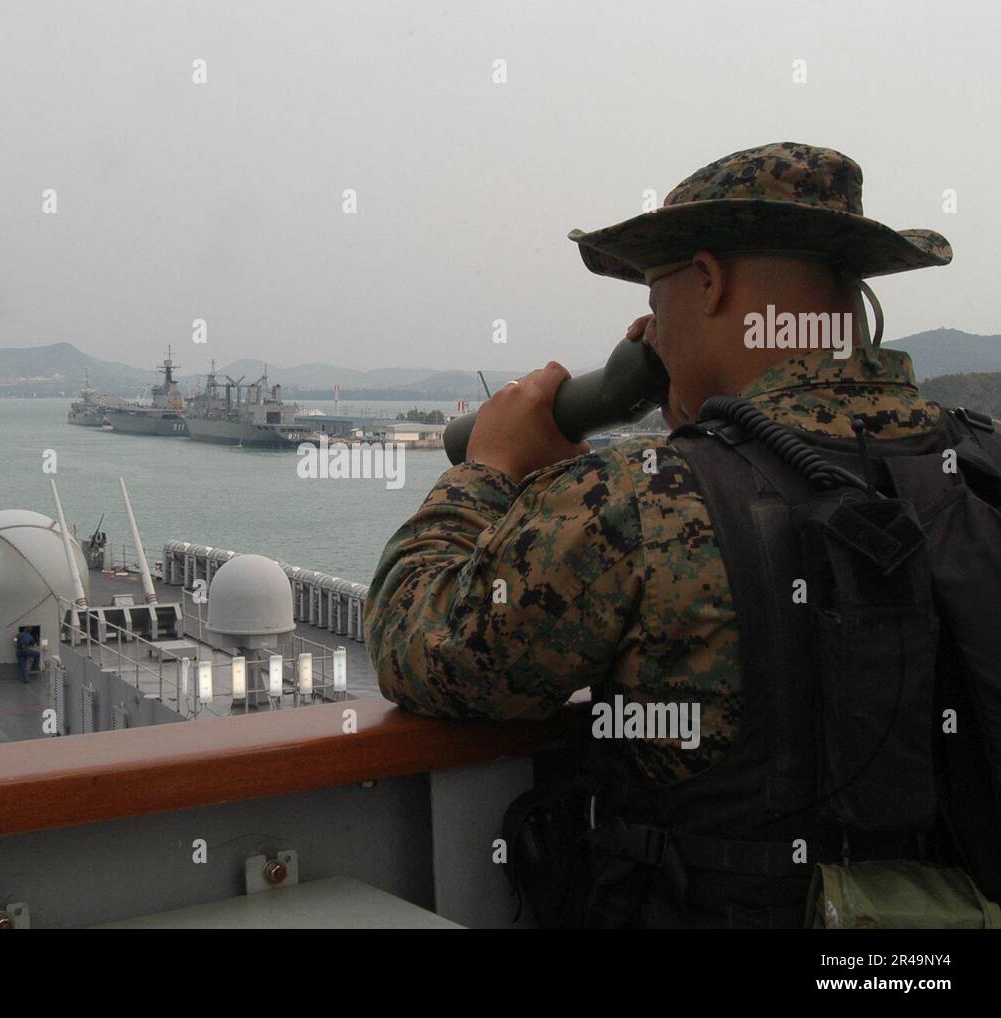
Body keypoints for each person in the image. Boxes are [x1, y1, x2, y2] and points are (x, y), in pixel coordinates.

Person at [367, 142, 1000, 928]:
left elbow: (416, 641)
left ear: (709, 280)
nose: (647, 329)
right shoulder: (980, 460)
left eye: (656, 295)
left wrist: (488, 470)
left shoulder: (638, 497)